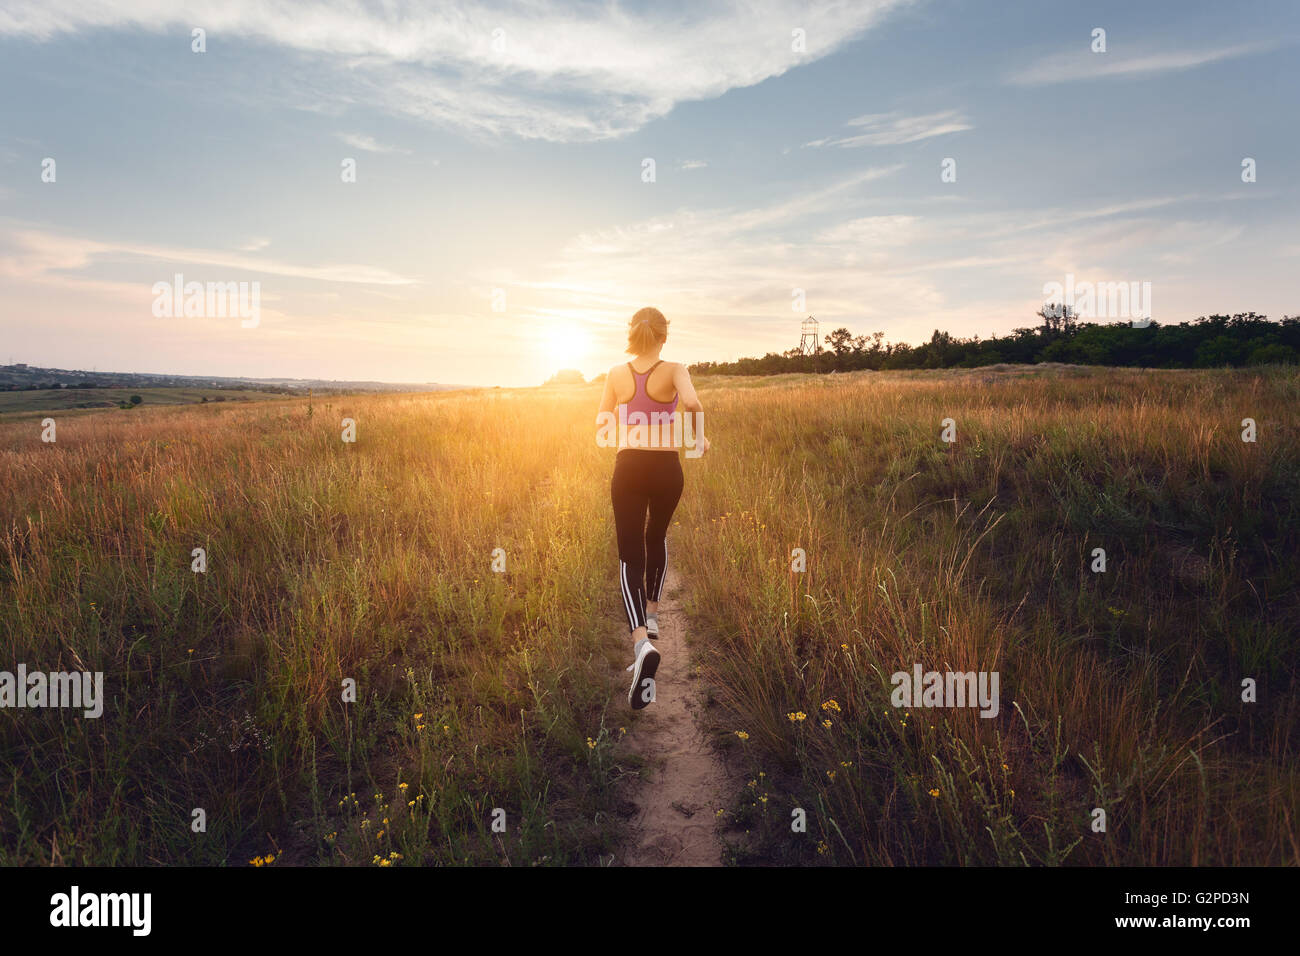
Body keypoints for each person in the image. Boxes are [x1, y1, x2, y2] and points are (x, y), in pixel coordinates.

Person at [597, 307, 709, 709]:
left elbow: (602, 420)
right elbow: (694, 405)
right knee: (656, 535)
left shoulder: (615, 373)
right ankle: (655, 613)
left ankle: (641, 642)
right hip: (667, 469)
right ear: (663, 336)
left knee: (629, 554)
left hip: (628, 467)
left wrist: (625, 429)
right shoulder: (675, 368)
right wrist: (700, 439)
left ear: (632, 335)